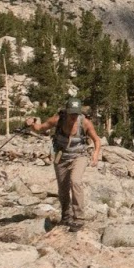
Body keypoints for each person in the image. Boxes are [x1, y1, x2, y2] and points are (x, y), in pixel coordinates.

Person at [26, 98, 103, 230]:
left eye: (76, 114)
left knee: (75, 181)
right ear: (66, 112)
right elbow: (40, 128)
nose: (73, 116)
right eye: (71, 113)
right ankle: (66, 216)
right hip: (61, 157)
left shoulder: (84, 123)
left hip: (79, 156)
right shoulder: (57, 119)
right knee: (62, 189)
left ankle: (79, 218)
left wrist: (95, 155)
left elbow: (97, 140)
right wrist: (31, 124)